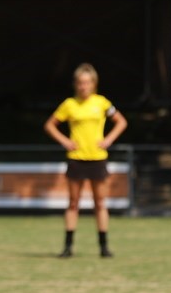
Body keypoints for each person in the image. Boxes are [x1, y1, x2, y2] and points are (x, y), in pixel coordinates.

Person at [43, 63, 129, 258]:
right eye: (81, 83)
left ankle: (104, 246)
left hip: (97, 159)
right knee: (73, 203)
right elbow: (50, 125)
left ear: (94, 84)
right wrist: (65, 141)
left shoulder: (102, 103)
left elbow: (121, 122)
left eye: (87, 83)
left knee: (100, 203)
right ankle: (68, 246)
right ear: (76, 84)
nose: (84, 86)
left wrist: (108, 140)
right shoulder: (69, 105)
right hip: (76, 159)